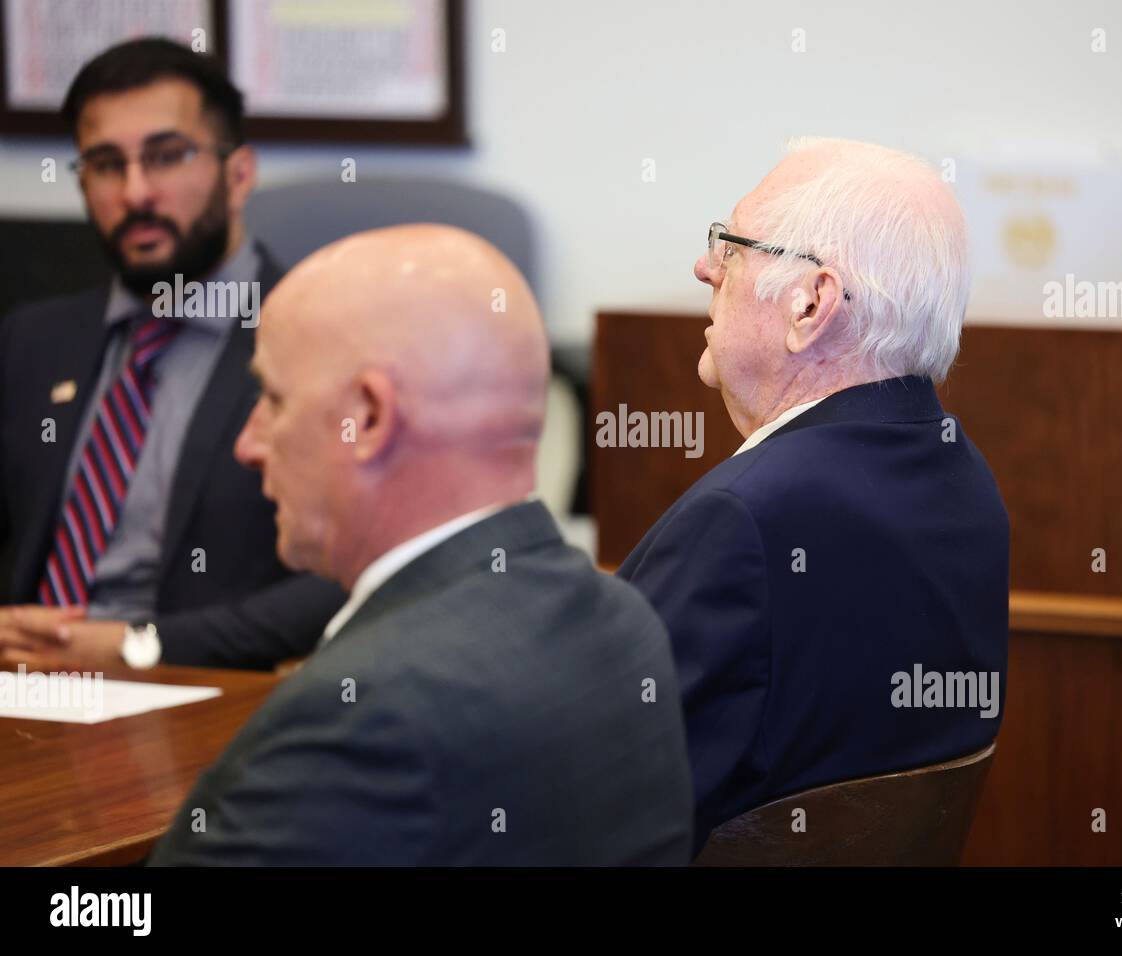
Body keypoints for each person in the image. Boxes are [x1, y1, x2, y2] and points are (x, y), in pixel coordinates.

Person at [150, 224, 694, 865]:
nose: (249, 443)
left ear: (370, 419)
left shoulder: (361, 718)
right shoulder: (625, 620)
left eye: (272, 398)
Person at [618, 138, 1010, 853]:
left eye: (732, 247)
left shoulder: (744, 520)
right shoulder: (965, 478)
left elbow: (599, 800)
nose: (705, 267)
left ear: (810, 304)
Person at [0, 38, 344, 670]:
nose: (136, 194)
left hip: (199, 697)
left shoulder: (321, 333)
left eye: (166, 157)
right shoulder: (31, 341)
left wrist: (135, 647)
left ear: (238, 175)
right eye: (105, 165)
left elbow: (351, 572)